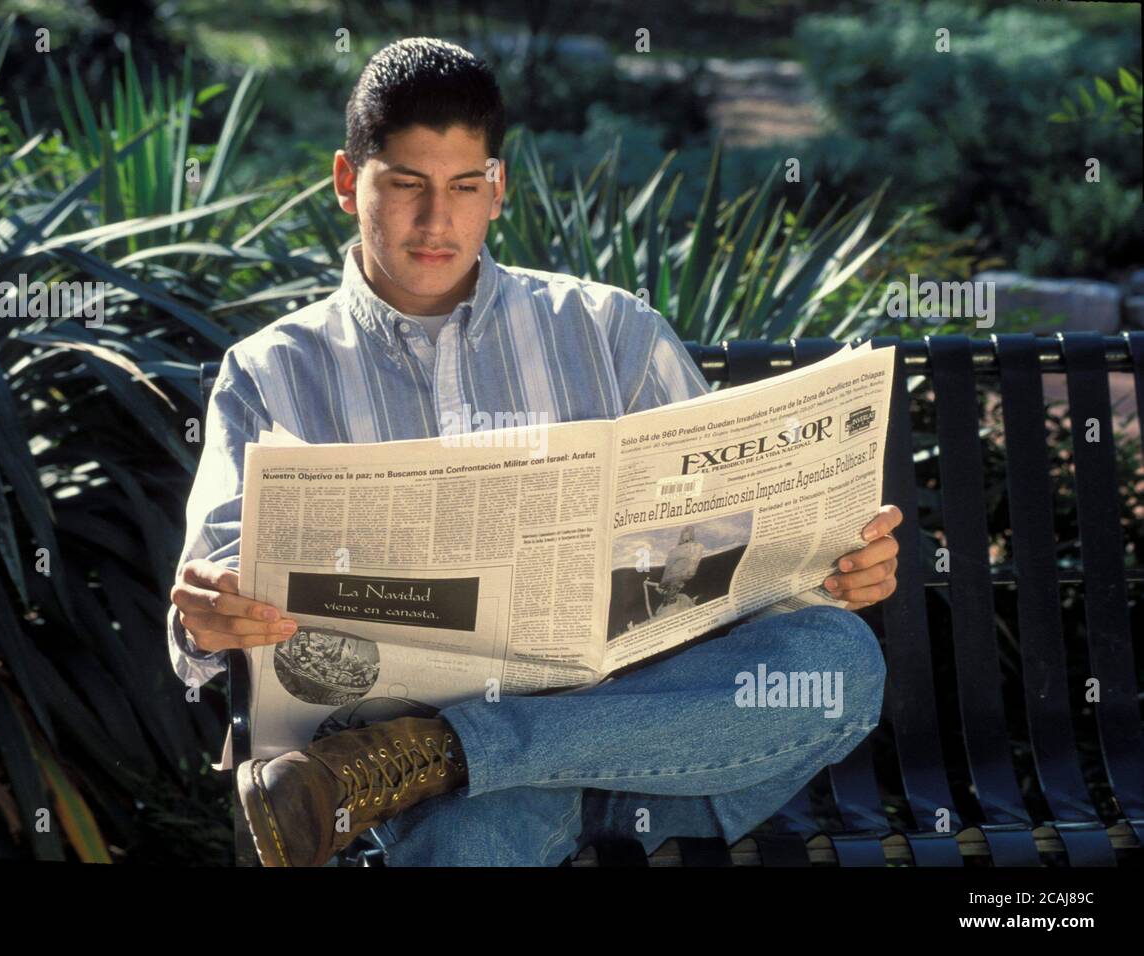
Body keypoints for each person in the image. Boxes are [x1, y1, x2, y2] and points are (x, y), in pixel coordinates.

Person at [166, 37, 901, 867]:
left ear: (498, 188)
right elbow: (205, 611)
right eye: (406, 185)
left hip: (632, 728)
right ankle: (480, 761)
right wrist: (209, 613)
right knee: (472, 836)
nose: (437, 221)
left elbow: (734, 542)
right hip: (489, 785)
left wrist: (829, 569)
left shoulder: (611, 333)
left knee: (838, 662)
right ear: (346, 182)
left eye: (465, 187)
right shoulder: (272, 372)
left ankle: (452, 749)